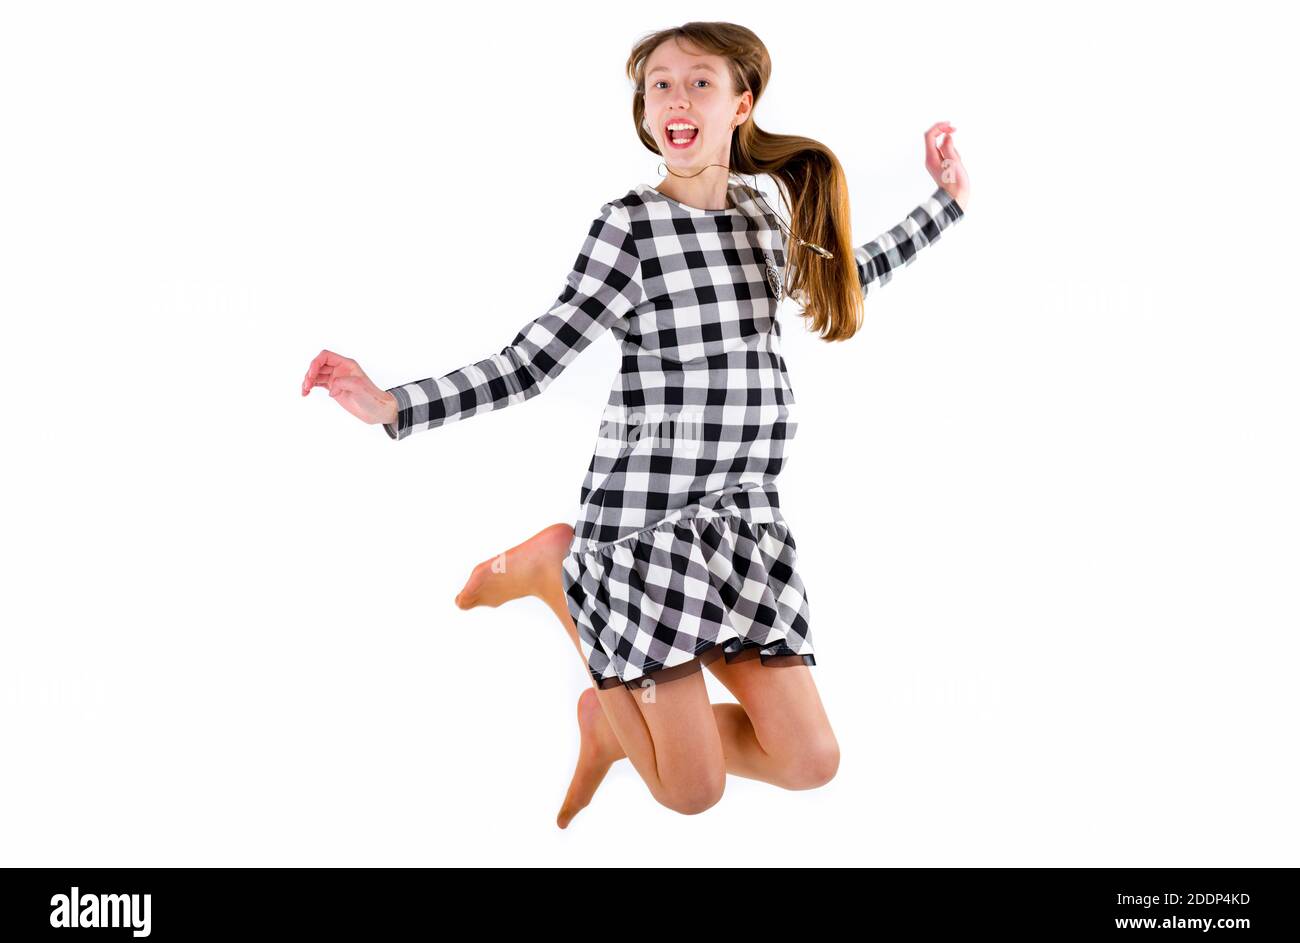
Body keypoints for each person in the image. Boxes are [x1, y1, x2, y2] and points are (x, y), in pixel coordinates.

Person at [301, 21, 970, 828]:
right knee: (691, 790)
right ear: (646, 112)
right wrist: (395, 405)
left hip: (740, 528)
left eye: (699, 82)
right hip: (644, 532)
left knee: (810, 759)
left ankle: (612, 721)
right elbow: (532, 360)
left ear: (740, 103)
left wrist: (947, 204)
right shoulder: (630, 229)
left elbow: (844, 280)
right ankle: (559, 575)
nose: (676, 97)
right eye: (659, 83)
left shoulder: (759, 217)